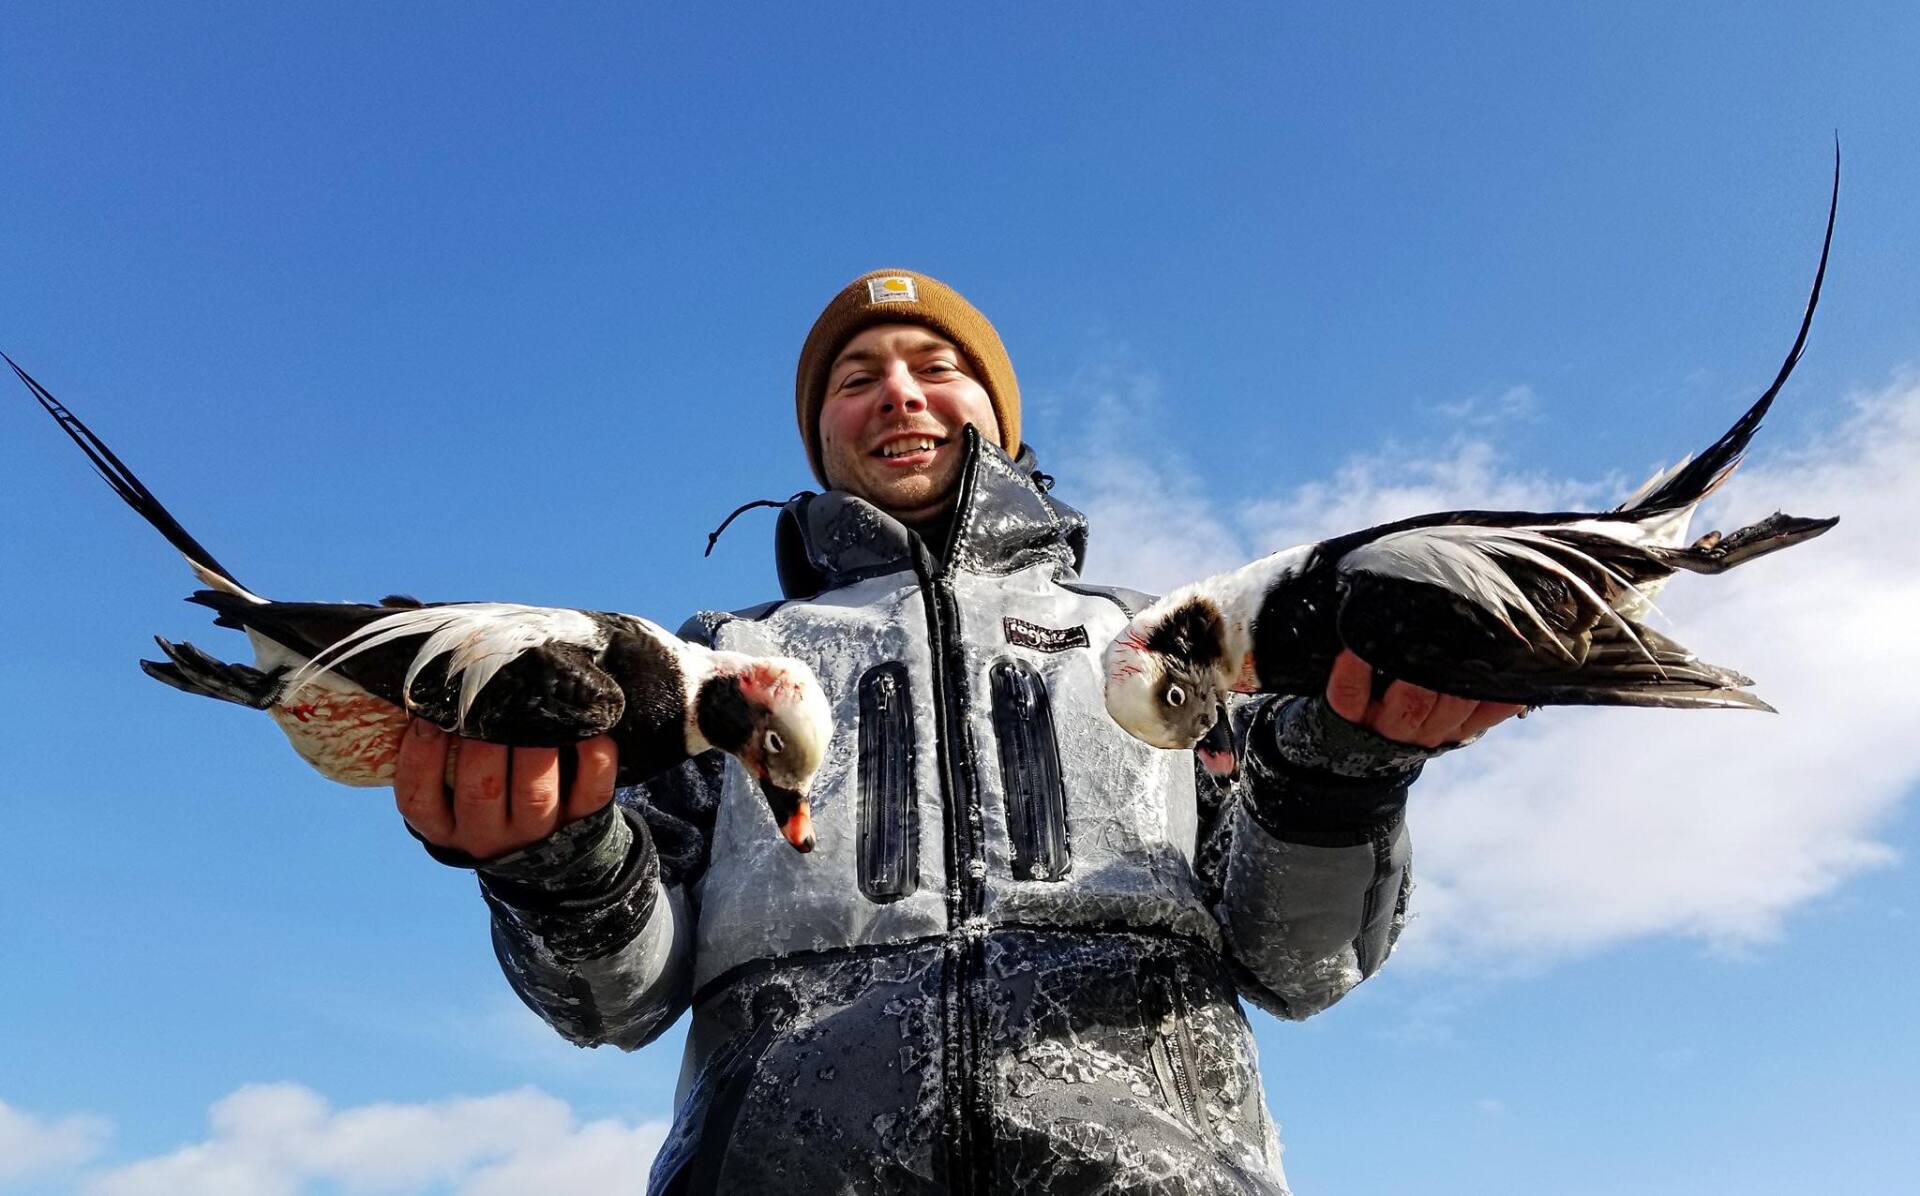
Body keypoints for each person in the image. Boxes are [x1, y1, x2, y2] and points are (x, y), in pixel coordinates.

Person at [393, 270, 1521, 1194]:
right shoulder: (723, 660)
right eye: (856, 377)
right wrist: (562, 866)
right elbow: (614, 998)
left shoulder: (1162, 640)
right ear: (819, 429)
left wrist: (1339, 780)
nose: (900, 394)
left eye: (940, 368)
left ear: (999, 413)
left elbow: (1298, 960)